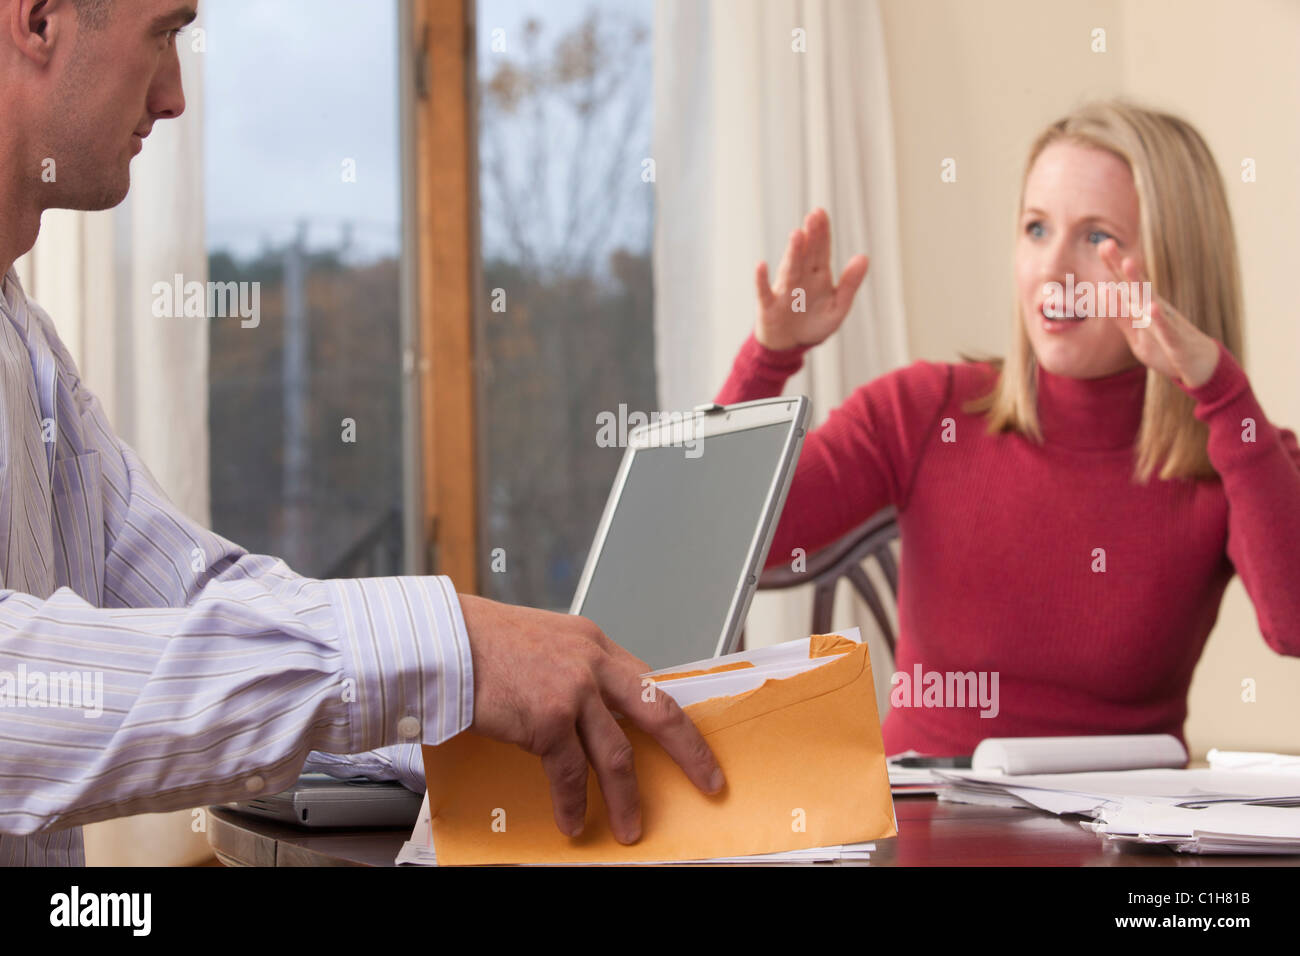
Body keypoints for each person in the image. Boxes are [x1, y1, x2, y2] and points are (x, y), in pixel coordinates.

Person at [0, 0, 722, 866]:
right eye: (164, 32)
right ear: (38, 22)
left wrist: (469, 693)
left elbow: (189, 590)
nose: (174, 95)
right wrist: (437, 647)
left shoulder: (26, 343)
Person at [718, 100, 1300, 757]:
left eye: (1097, 237)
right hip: (927, 838)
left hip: (1118, 852)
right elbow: (726, 545)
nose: (1053, 270)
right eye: (1036, 229)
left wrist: (1220, 392)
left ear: (1173, 268)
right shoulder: (925, 410)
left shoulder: (1239, 452)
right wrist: (769, 360)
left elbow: (1293, 626)